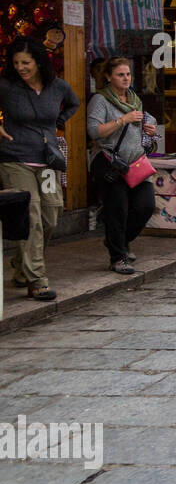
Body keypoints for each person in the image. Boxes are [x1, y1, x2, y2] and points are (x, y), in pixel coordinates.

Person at [0, 37, 80, 302]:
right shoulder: (7, 86)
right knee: (31, 215)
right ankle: (37, 280)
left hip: (47, 162)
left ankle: (23, 267)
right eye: (16, 63)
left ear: (38, 61)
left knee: (51, 215)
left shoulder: (57, 87)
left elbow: (74, 104)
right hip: (15, 159)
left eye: (26, 62)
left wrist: (56, 123)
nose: (21, 67)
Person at [86, 57, 157, 274]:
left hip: (136, 163)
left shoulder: (134, 99)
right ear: (108, 77)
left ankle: (118, 241)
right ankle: (118, 257)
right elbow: (94, 131)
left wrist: (148, 130)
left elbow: (139, 128)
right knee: (117, 210)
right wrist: (122, 120)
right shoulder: (100, 100)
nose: (125, 78)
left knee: (145, 206)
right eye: (120, 74)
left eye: (128, 74)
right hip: (110, 162)